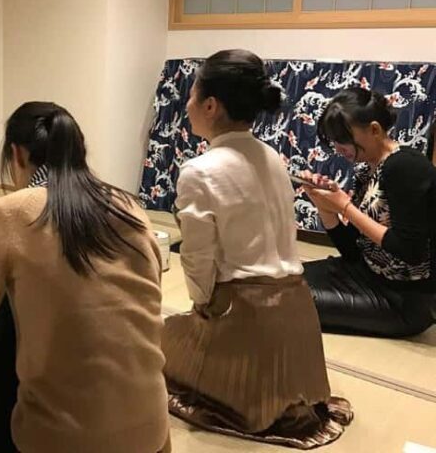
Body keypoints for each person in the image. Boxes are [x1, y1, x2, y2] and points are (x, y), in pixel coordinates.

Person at [0, 102, 171, 453]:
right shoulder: (130, 208)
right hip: (150, 435)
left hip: (59, 441)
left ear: (17, 154)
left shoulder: (7, 215)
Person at [164, 50, 351, 448]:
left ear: (211, 105)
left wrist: (201, 307)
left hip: (244, 322)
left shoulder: (199, 170)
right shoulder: (272, 157)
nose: (187, 104)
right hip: (299, 321)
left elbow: (198, 261)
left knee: (154, 347)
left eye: (193, 95)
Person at [301, 88, 436, 338]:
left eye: (343, 139)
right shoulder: (368, 170)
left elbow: (410, 250)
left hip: (404, 299)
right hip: (366, 273)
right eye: (334, 140)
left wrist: (345, 207)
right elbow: (353, 251)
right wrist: (323, 203)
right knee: (280, 280)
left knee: (283, 302)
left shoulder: (406, 167)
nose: (339, 148)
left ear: (374, 129)